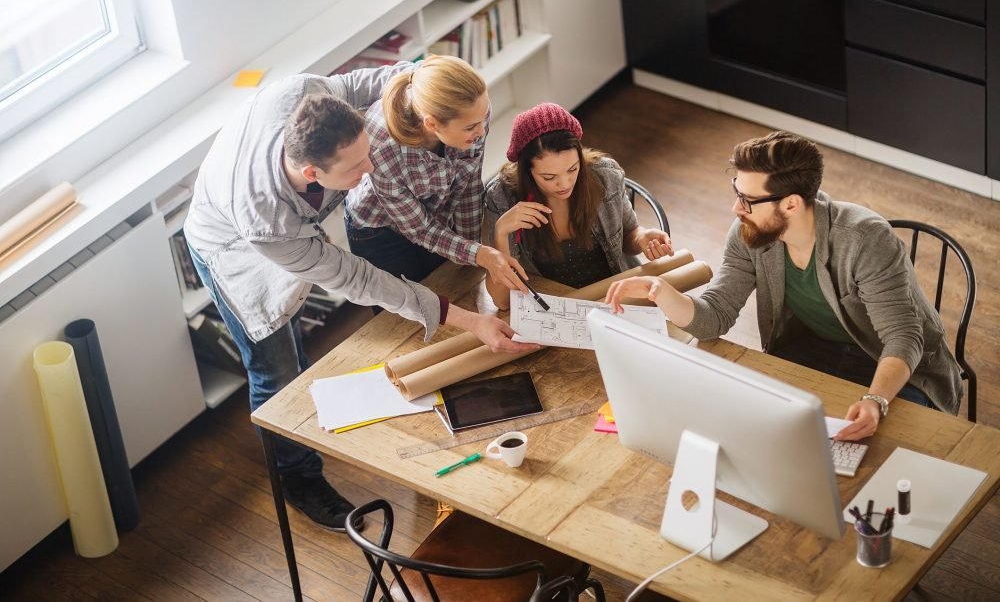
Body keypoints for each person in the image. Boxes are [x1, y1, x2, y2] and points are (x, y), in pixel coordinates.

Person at [184, 65, 537, 533]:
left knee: (306, 350)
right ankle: (298, 477)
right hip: (229, 246)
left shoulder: (304, 92)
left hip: (288, 222)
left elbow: (388, 79)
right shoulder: (268, 224)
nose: (372, 169)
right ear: (312, 173)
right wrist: (471, 323)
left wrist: (432, 83)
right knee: (277, 369)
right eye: (357, 167)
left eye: (368, 154)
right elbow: (364, 280)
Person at [605, 131, 964, 441]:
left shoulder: (865, 239)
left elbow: (903, 337)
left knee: (883, 457)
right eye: (736, 192)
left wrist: (875, 401)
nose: (735, 208)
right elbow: (714, 317)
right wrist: (660, 290)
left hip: (893, 367)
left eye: (747, 199)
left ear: (791, 204)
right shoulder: (750, 234)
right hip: (813, 354)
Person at [344, 55, 525, 298]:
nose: (481, 131)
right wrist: (479, 253)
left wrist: (471, 254)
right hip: (380, 231)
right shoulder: (382, 147)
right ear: (432, 125)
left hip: (432, 211)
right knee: (410, 309)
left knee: (450, 290)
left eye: (482, 120)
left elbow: (469, 185)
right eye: (471, 128)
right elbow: (420, 230)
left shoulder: (473, 111)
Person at [482, 102, 673, 309]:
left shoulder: (604, 175)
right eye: (549, 177)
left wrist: (642, 238)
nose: (564, 184)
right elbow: (502, 301)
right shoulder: (501, 197)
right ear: (526, 173)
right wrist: (501, 232)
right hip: (554, 307)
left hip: (617, 296)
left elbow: (629, 234)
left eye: (573, 169)